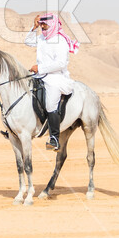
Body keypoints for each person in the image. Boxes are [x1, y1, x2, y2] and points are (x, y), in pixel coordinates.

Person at [26, 12, 79, 151]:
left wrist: (40, 68)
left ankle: (54, 138)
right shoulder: (42, 38)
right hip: (40, 75)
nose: (43, 27)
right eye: (41, 24)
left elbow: (61, 63)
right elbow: (28, 42)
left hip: (56, 77)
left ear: (53, 25)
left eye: (45, 24)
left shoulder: (60, 41)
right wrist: (34, 27)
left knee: (50, 104)